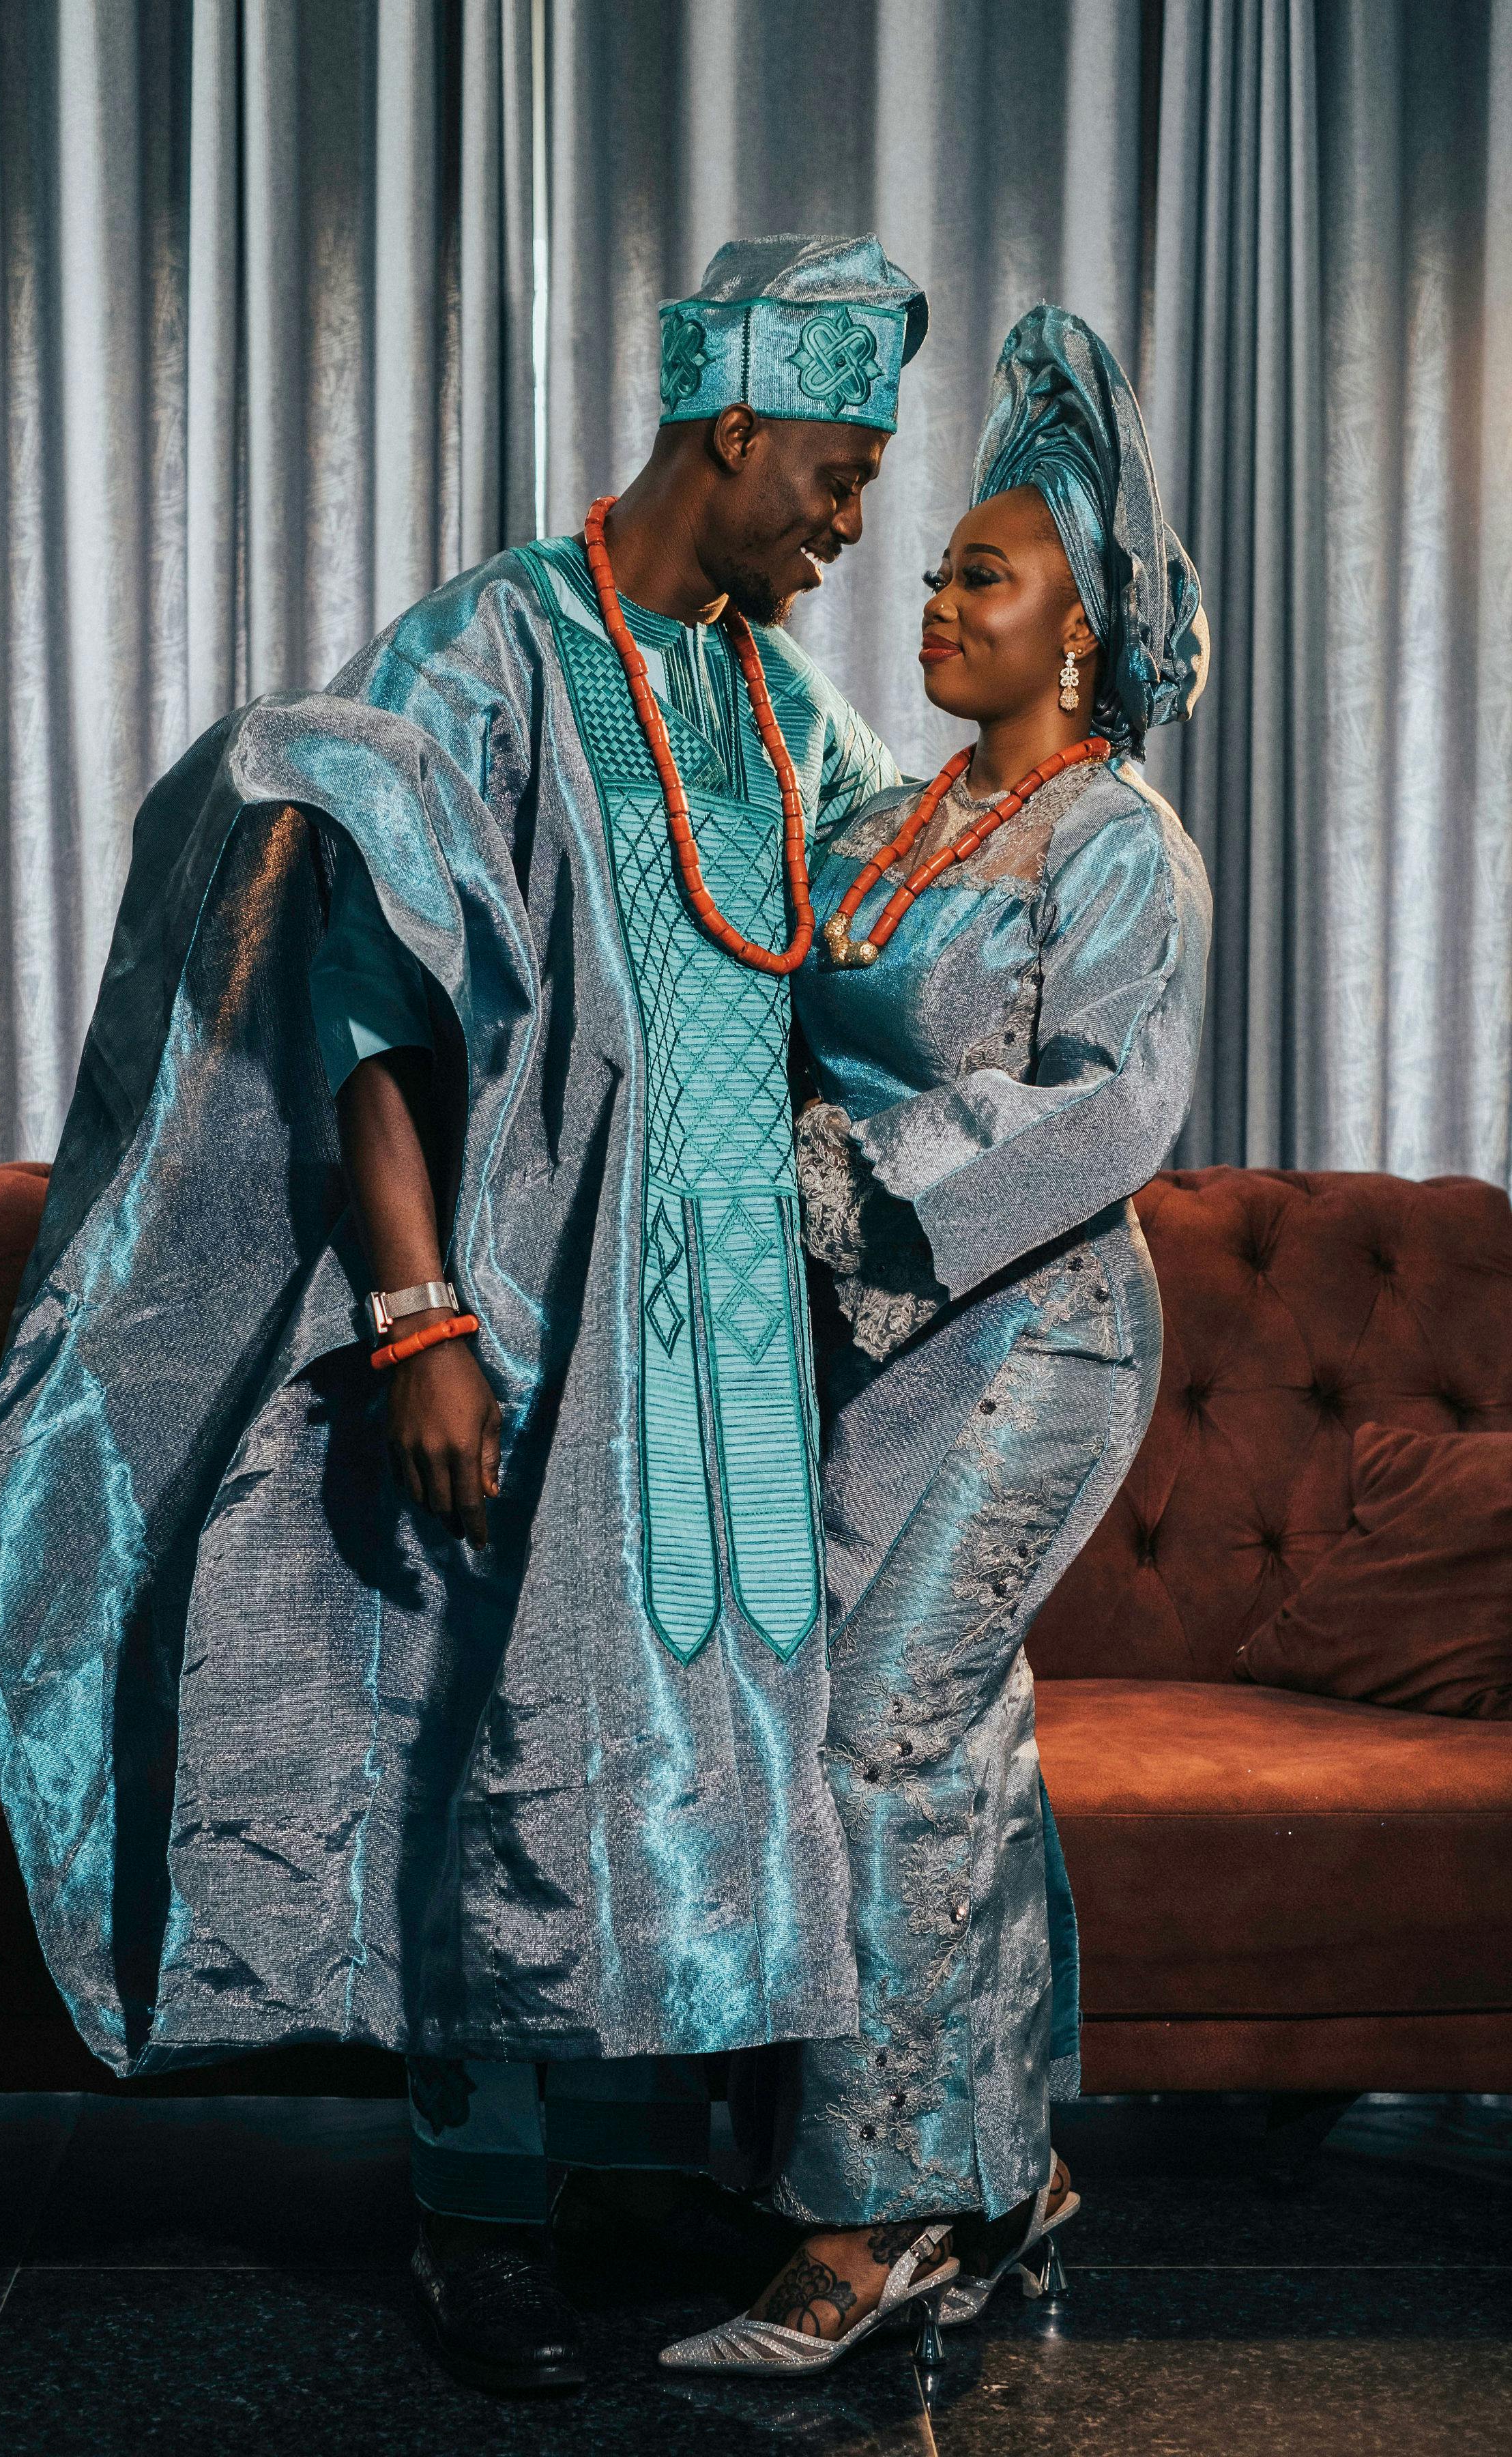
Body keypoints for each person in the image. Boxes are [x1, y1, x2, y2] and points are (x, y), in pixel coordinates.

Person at [0, 234, 927, 2396]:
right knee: (512, 1729)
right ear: (731, 426)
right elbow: (358, 999)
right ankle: (482, 2207)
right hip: (531, 1299)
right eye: (838, 474)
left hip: (735, 1327)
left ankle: (643, 2159)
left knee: (704, 1736)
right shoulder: (488, 647)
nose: (854, 524)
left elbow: (891, 928)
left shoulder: (784, 700)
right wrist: (416, 1313)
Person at [661, 304, 1212, 2376]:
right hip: (882, 1354)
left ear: (1080, 626)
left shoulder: (1122, 849)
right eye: (941, 569)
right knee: (944, 1737)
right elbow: (765, 967)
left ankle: (876, 2216)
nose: (939, 598)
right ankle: (1005, 2171)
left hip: (1041, 1344)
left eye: (983, 573)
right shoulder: (898, 823)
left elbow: (1105, 1106)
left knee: (885, 1729)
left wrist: (852, 1182)